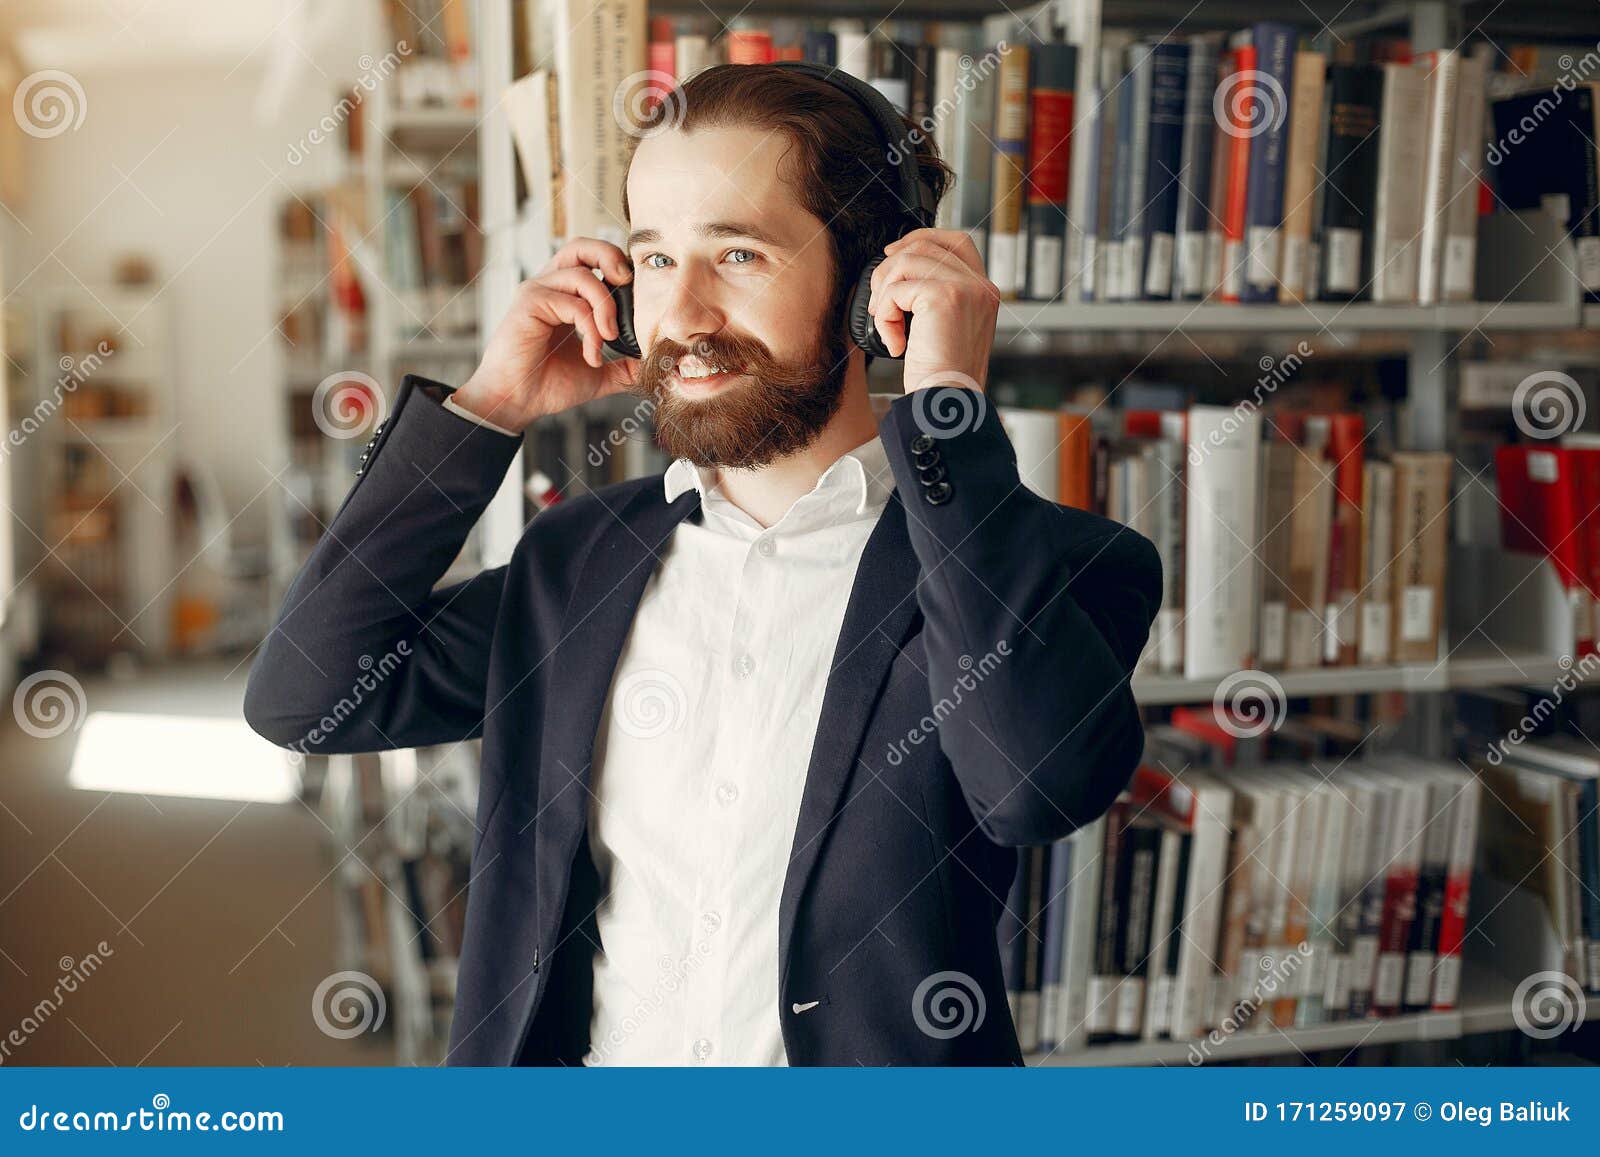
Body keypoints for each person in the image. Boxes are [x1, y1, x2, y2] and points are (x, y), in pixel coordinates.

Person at [244, 62, 1161, 1066]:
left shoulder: (1062, 565)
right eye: (652, 258)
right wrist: (491, 403)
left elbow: (1032, 785)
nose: (679, 313)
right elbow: (308, 696)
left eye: (736, 253)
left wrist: (947, 402)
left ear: (868, 283)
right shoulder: (576, 561)